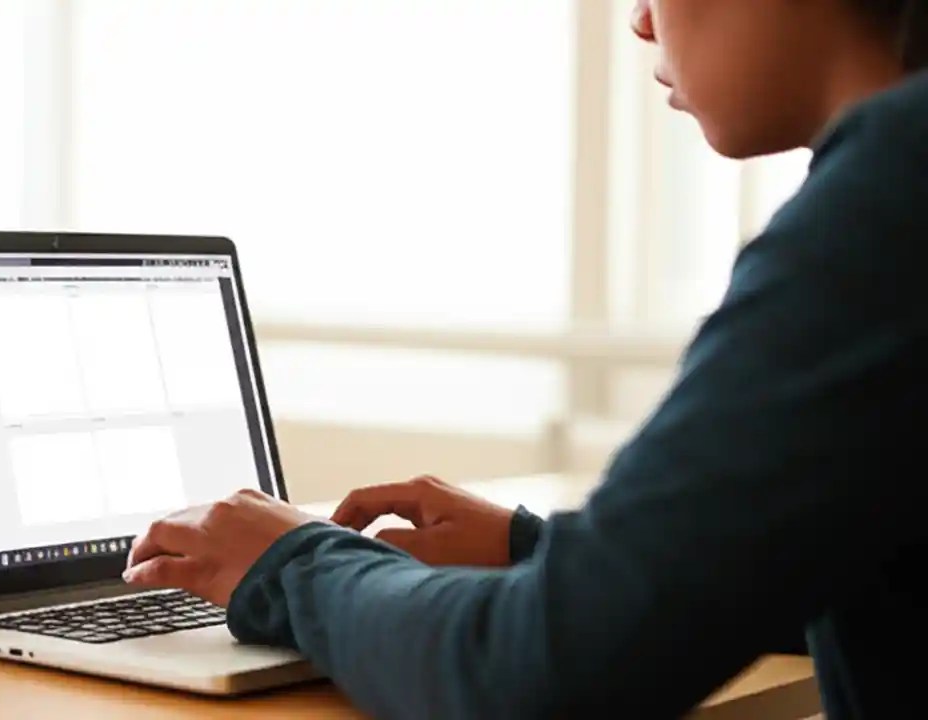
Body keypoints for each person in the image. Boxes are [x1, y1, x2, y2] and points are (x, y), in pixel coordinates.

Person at [122, 1, 928, 717]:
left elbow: (539, 672)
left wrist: (294, 563)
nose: (642, 20)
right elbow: (814, 568)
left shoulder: (891, 196)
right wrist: (534, 552)